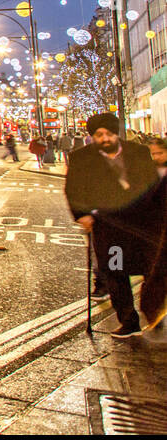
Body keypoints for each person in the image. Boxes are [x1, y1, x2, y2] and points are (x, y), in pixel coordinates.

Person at [64, 113, 167, 337]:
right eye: (99, 135)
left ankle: (152, 313)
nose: (105, 138)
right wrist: (82, 214)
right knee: (116, 272)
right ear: (92, 136)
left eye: (109, 134)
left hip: (142, 226)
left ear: (116, 133)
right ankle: (129, 322)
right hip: (110, 228)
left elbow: (154, 185)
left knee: (151, 270)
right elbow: (73, 189)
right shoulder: (81, 158)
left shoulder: (139, 152)